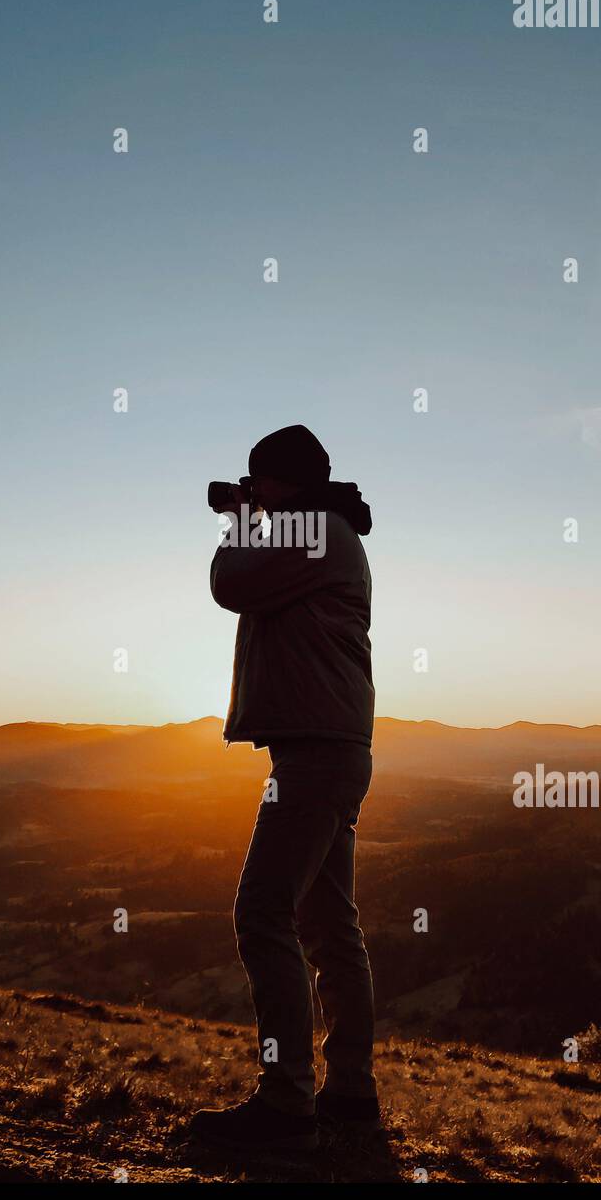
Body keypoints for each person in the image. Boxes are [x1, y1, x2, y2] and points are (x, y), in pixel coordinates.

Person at [190, 424, 379, 1153]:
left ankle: (285, 1101)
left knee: (261, 913)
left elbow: (229, 585)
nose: (250, 489)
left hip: (315, 757)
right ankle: (350, 1094)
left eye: (258, 479)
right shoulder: (323, 529)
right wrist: (253, 514)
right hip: (325, 751)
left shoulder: (318, 531)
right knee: (329, 927)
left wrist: (237, 520)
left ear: (283, 482)